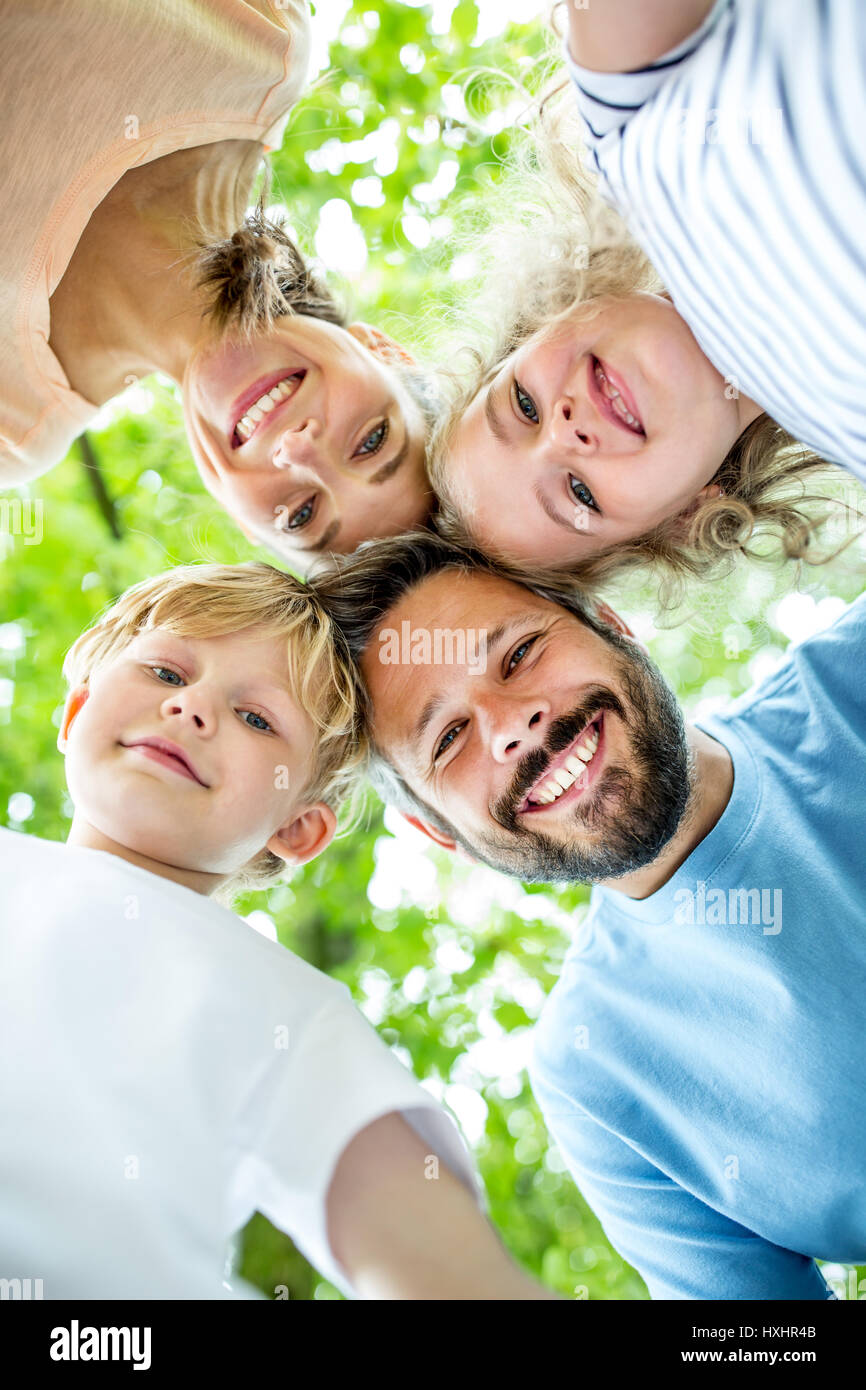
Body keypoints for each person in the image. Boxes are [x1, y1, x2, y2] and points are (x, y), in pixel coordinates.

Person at [312, 531, 866, 1298]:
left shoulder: (854, 674)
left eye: (516, 655)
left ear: (611, 622)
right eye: (448, 739)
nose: (512, 725)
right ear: (444, 835)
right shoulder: (595, 1074)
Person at [0, 559, 555, 1301]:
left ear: (295, 829)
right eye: (166, 672)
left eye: (257, 719)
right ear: (75, 714)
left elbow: (453, 1279)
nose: (191, 709)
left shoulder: (285, 1010)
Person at [426, 0, 865, 597]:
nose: (562, 433)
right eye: (579, 494)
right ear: (685, 516)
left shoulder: (628, 122)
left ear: (539, 323)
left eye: (524, 405)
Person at [0, 0, 433, 567]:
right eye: (373, 440)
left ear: (238, 518)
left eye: (301, 514)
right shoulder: (257, 39)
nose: (297, 448)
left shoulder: (11, 428)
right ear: (385, 351)